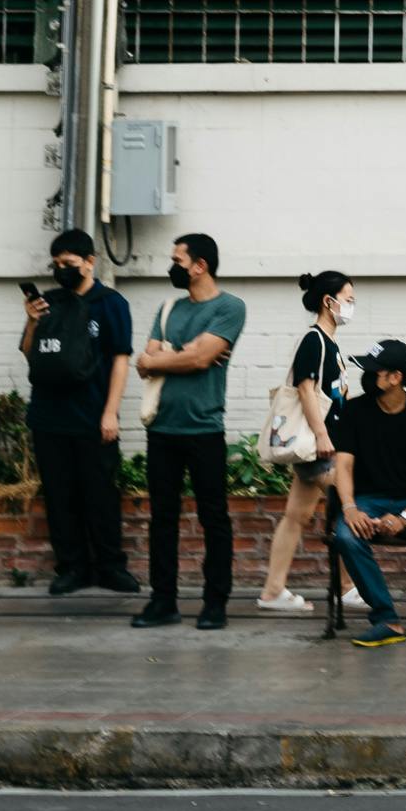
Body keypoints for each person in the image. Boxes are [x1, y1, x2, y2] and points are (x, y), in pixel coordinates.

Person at [132, 230, 244, 630]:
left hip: (204, 430)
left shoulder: (231, 308)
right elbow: (144, 362)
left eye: (177, 260)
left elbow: (201, 359)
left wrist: (171, 355)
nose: (171, 267)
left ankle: (216, 603)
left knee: (213, 518)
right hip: (162, 429)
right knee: (162, 518)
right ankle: (163, 601)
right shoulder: (168, 309)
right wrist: (182, 354)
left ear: (200, 266)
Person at [19, 228, 138, 598]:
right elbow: (28, 353)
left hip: (93, 416)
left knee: (100, 495)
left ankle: (110, 568)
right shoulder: (49, 302)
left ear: (90, 262)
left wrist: (111, 413)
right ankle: (71, 568)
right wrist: (31, 320)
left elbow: (121, 359)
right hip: (49, 416)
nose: (62, 270)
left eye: (69, 263)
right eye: (56, 264)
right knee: (59, 496)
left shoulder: (111, 303)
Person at [327, 340, 406, 648]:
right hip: (367, 500)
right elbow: (342, 466)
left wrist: (405, 517)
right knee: (346, 535)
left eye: (374, 372)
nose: (367, 377)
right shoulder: (355, 412)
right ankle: (386, 618)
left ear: (396, 377)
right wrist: (349, 509)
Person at [255, 270, 355, 616]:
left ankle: (273, 590)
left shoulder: (330, 343)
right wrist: (323, 434)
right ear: (329, 302)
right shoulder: (315, 340)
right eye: (348, 299)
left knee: (296, 516)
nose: (351, 305)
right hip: (319, 445)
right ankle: (347, 586)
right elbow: (305, 388)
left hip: (322, 444)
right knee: (349, 502)